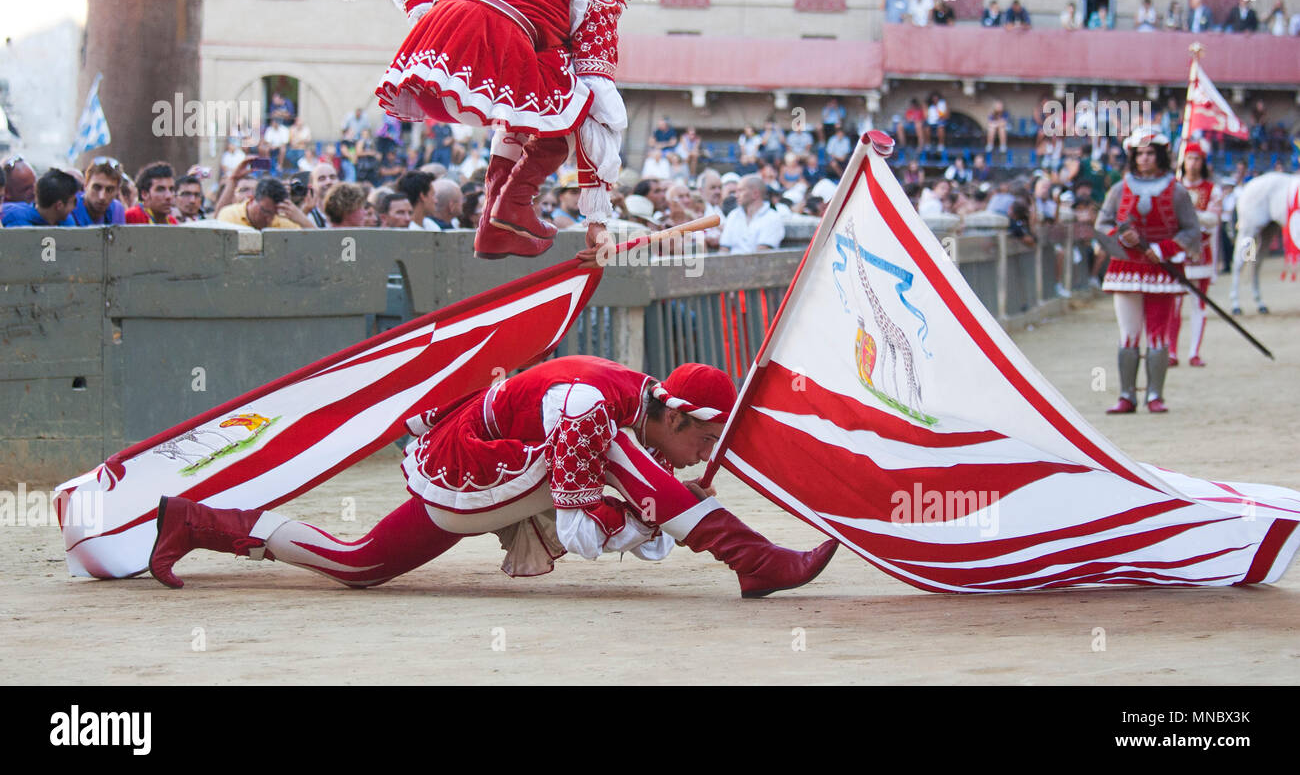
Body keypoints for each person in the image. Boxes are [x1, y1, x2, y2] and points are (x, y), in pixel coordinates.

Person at [148, 358, 838, 598]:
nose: (706, 452)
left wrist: (659, 507)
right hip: (469, 468)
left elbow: (626, 486)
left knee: (359, 566)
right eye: (707, 439)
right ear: (678, 418)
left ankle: (196, 521)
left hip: (490, 451)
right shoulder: (597, 411)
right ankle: (756, 562)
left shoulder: (630, 396)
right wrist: (649, 514)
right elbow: (580, 534)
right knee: (356, 565)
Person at [379, 0, 637, 261]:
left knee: (537, 85)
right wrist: (597, 219)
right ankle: (513, 204)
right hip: (481, 73)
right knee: (577, 96)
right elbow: (600, 109)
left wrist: (423, 13)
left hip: (425, 71)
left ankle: (494, 225)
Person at [1095, 127, 1201, 414]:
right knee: (1128, 333)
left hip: (1163, 271)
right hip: (1126, 267)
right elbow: (1102, 223)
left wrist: (1165, 248)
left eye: (1150, 152)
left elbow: (1192, 229)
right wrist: (1121, 235)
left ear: (1160, 155)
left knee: (1158, 335)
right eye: (1139, 153)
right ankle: (1127, 395)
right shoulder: (1119, 188)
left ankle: (1155, 395)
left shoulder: (1177, 191)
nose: (1144, 158)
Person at [1168, 141, 1222, 368]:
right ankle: (1171, 351)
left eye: (1197, 158)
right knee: (1175, 304)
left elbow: (1212, 219)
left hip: (1201, 254)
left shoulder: (1212, 190)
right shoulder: (1173, 187)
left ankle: (1194, 352)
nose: (1193, 163)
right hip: (1177, 253)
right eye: (1189, 158)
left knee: (1199, 304)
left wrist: (1189, 215)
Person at [719, 175, 784, 254]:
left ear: (755, 194)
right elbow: (724, 249)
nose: (736, 195)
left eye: (740, 191)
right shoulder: (733, 215)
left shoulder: (772, 217)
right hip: (729, 265)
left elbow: (762, 254)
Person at [216, 177, 306, 230]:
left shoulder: (281, 221)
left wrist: (301, 218)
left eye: (273, 214)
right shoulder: (229, 216)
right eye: (264, 211)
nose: (268, 219)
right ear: (252, 199)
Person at [1, 168, 78, 227]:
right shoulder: (18, 222)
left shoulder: (66, 221)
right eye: (74, 202)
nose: (75, 208)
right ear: (59, 205)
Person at [71, 158, 127, 226]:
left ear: (117, 190)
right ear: (85, 185)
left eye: (109, 190)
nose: (102, 197)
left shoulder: (117, 210)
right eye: (96, 187)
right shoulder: (69, 208)